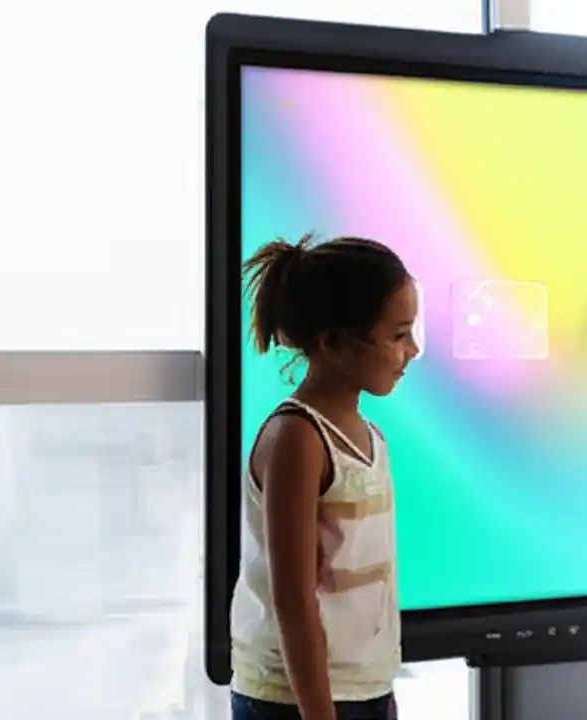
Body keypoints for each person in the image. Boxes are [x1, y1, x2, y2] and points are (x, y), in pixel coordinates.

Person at [229, 234, 420, 720]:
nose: (413, 350)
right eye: (398, 335)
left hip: (364, 690)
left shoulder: (371, 437)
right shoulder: (298, 439)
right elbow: (292, 600)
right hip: (293, 700)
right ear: (334, 342)